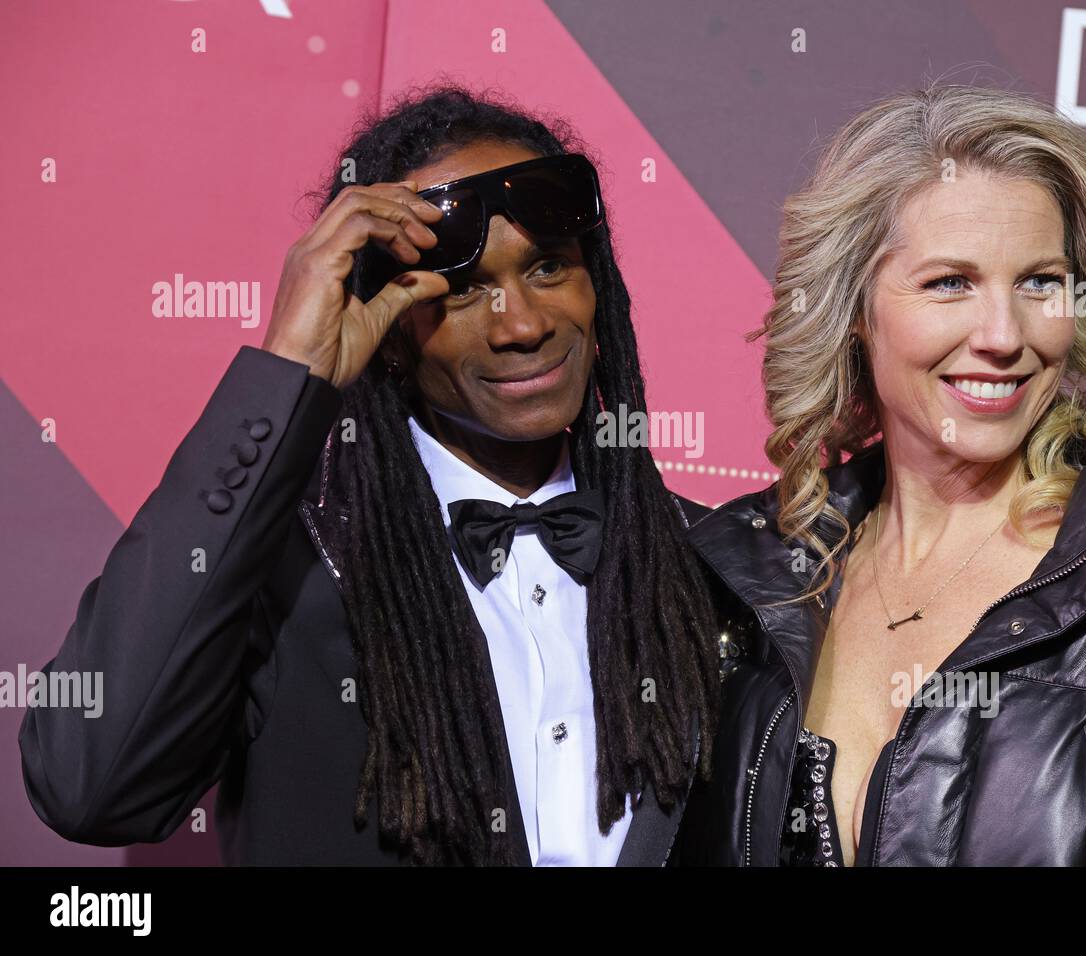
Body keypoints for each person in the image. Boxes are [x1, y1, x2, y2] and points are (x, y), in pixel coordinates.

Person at [20, 86, 722, 866]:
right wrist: (288, 372)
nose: (521, 324)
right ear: (385, 334)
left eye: (549, 267)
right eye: (458, 292)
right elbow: (86, 782)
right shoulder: (286, 571)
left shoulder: (709, 564)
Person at [673, 84, 1086, 866]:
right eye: (949, 283)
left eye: (1040, 282)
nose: (1003, 336)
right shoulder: (730, 585)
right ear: (857, 311)